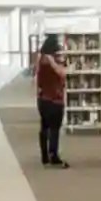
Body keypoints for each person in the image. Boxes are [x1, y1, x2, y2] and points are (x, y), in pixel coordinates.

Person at [35, 35, 69, 168]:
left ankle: (44, 156)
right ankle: (53, 155)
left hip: (42, 99)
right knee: (54, 129)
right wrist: (54, 62)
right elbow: (62, 74)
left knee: (44, 127)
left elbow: (37, 80)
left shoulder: (40, 61)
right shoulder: (54, 61)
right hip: (55, 100)